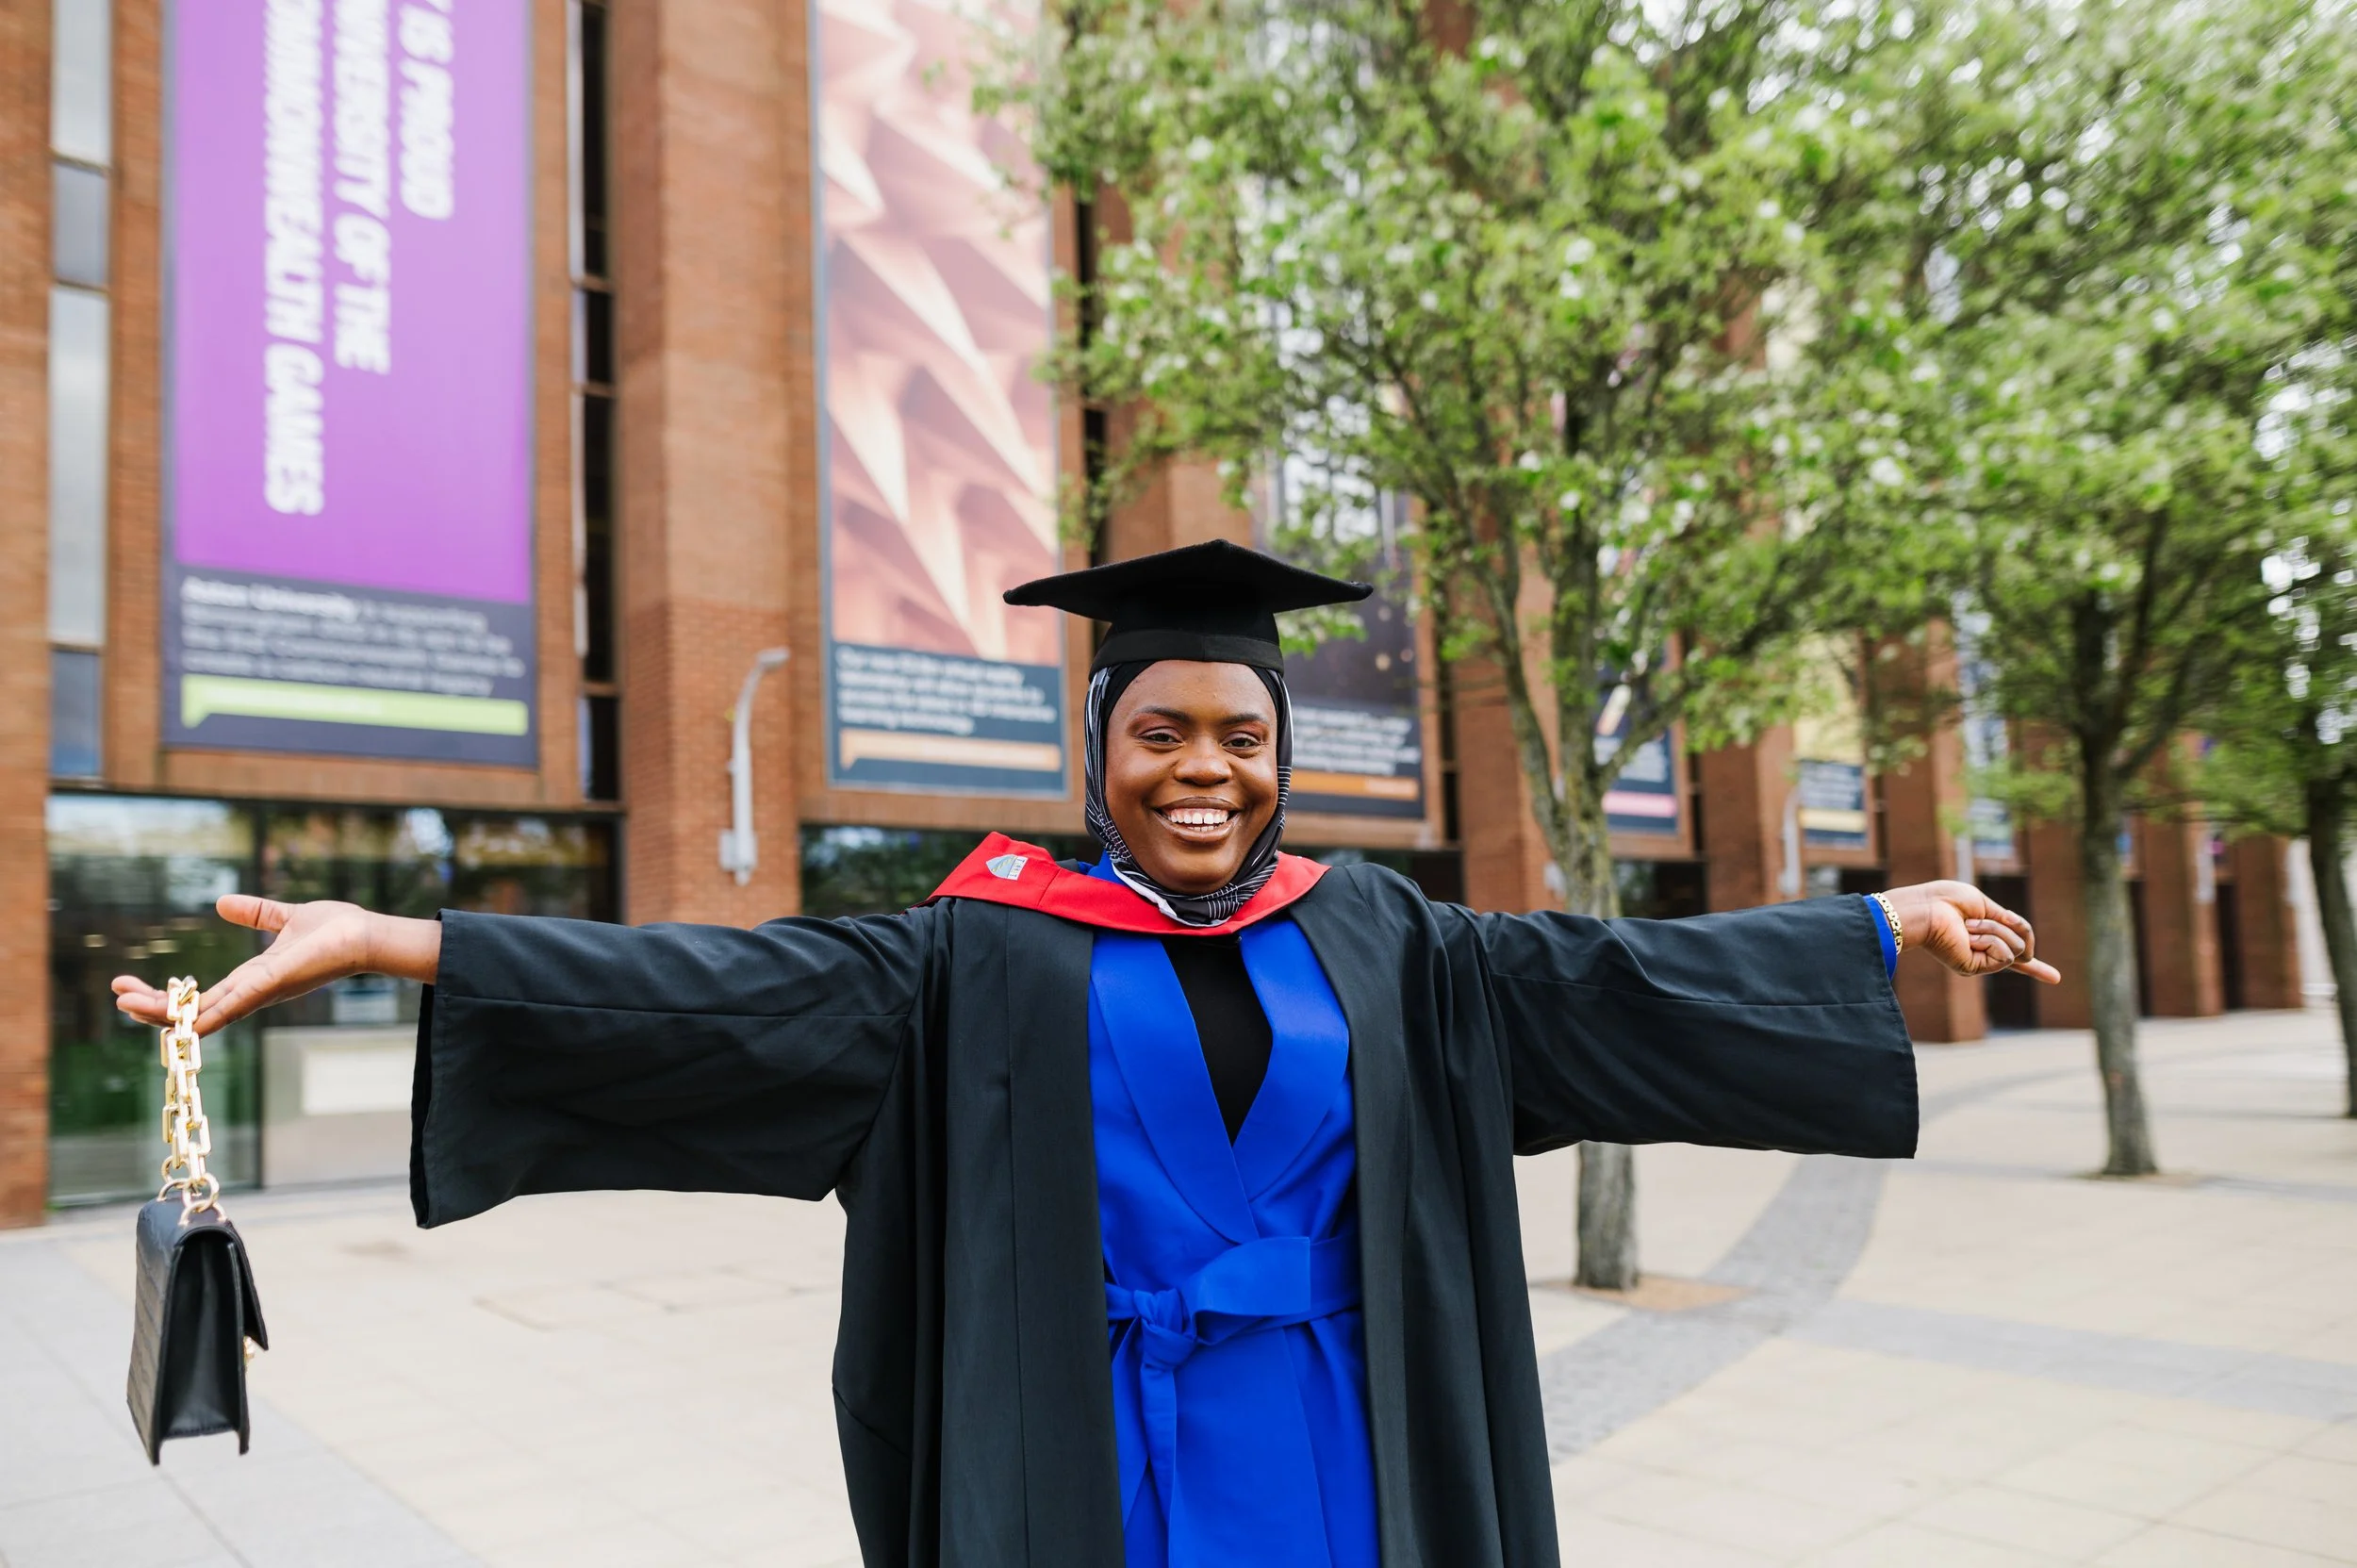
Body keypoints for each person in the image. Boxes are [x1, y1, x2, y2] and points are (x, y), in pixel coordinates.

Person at [115, 540, 2058, 1568]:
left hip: (1336, 1441)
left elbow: (1604, 986)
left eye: (1239, 736)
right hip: (1085, 1439)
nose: (1202, 771)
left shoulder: (1388, 937)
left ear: (1281, 754)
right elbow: (708, 996)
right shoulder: (972, 952)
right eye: (1160, 735)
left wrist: (1865, 924)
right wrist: (400, 931)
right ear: (1099, 754)